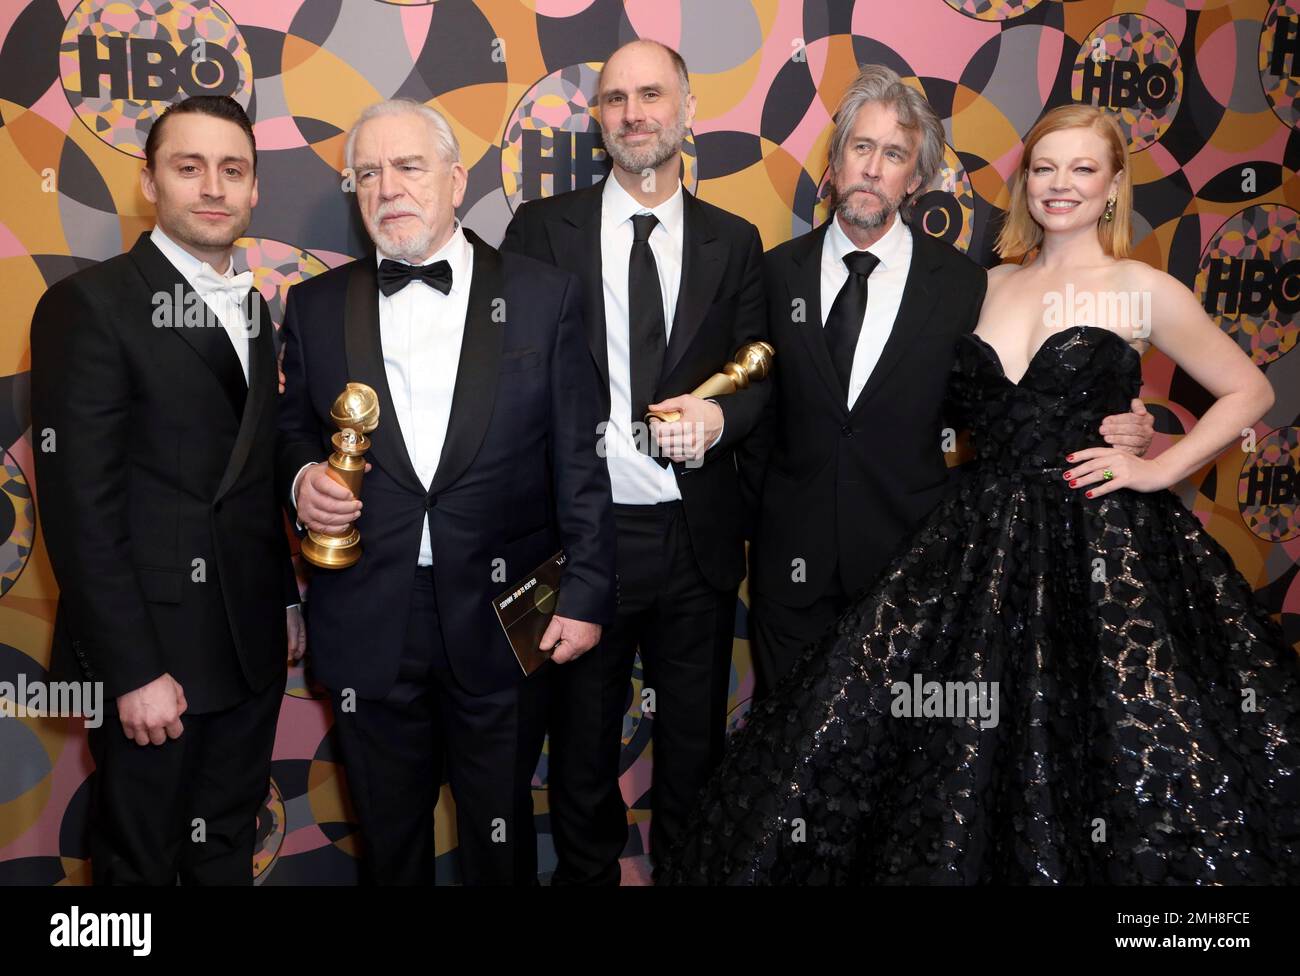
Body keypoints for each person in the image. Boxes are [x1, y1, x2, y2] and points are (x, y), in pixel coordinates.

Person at [660, 103, 1300, 885]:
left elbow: (1247, 392)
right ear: (1024, 181)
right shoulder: (983, 284)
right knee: (947, 746)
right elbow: (938, 404)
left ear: (1113, 187)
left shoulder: (1141, 288)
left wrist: (1155, 462)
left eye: (1083, 169)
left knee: (1104, 745)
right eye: (1044, 168)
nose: (1059, 185)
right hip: (978, 546)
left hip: (1099, 553)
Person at [277, 99, 615, 885]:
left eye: (409, 166)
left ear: (457, 180)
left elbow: (581, 458)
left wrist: (588, 591)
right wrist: (301, 480)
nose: (387, 187)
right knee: (389, 846)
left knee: (500, 845)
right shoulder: (317, 305)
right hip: (366, 611)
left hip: (506, 615)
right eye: (368, 173)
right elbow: (291, 429)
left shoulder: (544, 295)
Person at [740, 66, 1155, 702]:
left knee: (890, 776)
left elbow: (1019, 398)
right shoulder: (771, 274)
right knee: (780, 762)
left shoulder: (967, 287)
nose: (874, 169)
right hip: (789, 579)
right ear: (835, 159)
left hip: (914, 570)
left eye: (895, 154)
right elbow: (751, 411)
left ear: (918, 179)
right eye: (861, 147)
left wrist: (1120, 417)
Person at [501, 39, 769, 884]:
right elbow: (510, 376)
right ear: (598, 121)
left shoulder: (737, 238)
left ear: (688, 111)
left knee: (694, 739)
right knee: (581, 743)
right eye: (615, 99)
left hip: (695, 535)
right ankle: (586, 874)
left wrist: (719, 422)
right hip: (584, 537)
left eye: (652, 95)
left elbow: (763, 367)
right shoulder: (543, 230)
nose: (634, 113)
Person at [30, 95, 302, 885]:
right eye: (189, 167)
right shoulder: (89, 306)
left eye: (233, 170)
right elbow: (82, 509)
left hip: (247, 647)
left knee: (224, 851)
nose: (213, 187)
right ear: (149, 181)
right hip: (155, 662)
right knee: (138, 865)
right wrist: (132, 671)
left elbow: (245, 479)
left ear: (254, 190)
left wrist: (283, 595)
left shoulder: (252, 308)